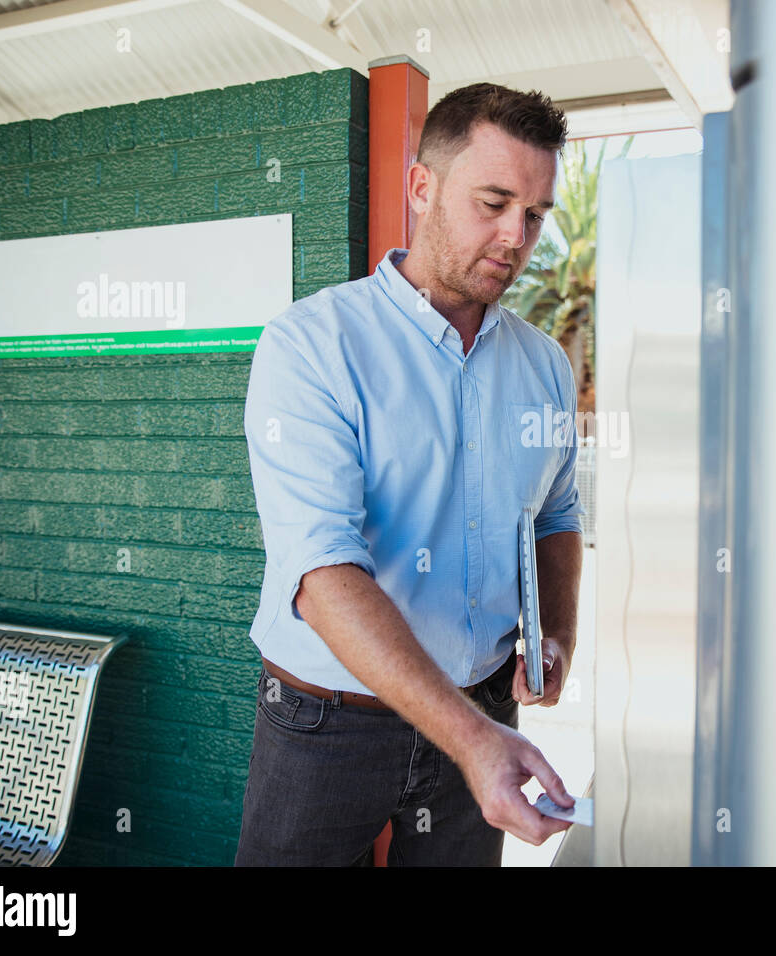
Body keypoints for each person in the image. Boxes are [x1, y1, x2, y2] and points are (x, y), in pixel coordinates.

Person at [233, 82, 585, 866]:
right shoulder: (310, 347)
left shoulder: (546, 368)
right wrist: (472, 742)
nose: (515, 236)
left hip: (485, 706)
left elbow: (558, 515)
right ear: (421, 186)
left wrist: (555, 632)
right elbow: (322, 575)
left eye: (535, 215)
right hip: (329, 726)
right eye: (493, 201)